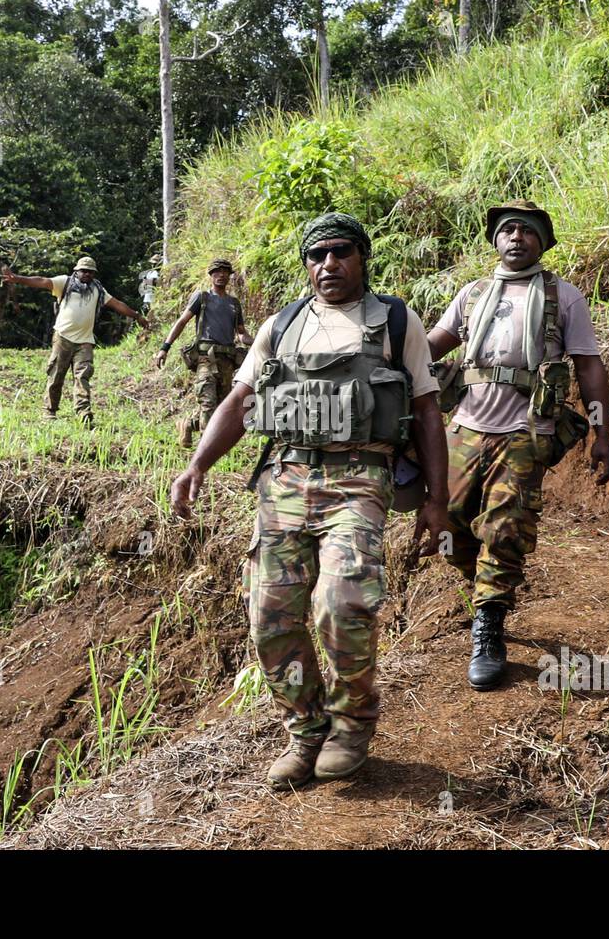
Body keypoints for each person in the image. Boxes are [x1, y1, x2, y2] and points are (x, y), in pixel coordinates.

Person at [170, 212, 449, 790]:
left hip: (360, 479)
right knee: (269, 618)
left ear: (362, 257)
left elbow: (425, 410)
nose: (329, 265)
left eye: (341, 252)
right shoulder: (282, 325)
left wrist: (437, 499)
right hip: (285, 480)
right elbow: (241, 401)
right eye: (317, 255)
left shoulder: (396, 322)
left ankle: (353, 725)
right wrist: (198, 463)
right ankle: (306, 730)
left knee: (343, 602)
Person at [427, 200, 609, 690]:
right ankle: (487, 583)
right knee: (444, 519)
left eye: (528, 231)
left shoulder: (563, 297)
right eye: (508, 230)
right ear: (495, 240)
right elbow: (433, 345)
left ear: (541, 243)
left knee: (505, 525)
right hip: (465, 426)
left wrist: (602, 433)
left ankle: (488, 625)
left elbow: (589, 367)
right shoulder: (471, 294)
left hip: (528, 432)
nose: (517, 237)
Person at [4, 255, 149, 424]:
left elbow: (117, 304)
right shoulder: (64, 283)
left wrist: (136, 315)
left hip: (85, 341)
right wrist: (18, 279)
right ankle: (50, 411)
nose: (87, 274)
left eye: (90, 272)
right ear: (77, 271)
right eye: (84, 271)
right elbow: (42, 281)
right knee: (56, 375)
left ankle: (83, 412)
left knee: (83, 376)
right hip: (63, 337)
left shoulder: (98, 290)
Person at [154, 258, 253, 447]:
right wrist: (164, 348)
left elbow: (241, 334)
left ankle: (189, 424)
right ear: (210, 275)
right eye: (217, 271)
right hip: (206, 360)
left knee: (220, 410)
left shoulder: (234, 303)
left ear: (230, 276)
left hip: (228, 362)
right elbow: (182, 321)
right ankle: (206, 449)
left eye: (225, 271)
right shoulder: (202, 297)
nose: (221, 275)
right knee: (208, 403)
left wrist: (259, 343)